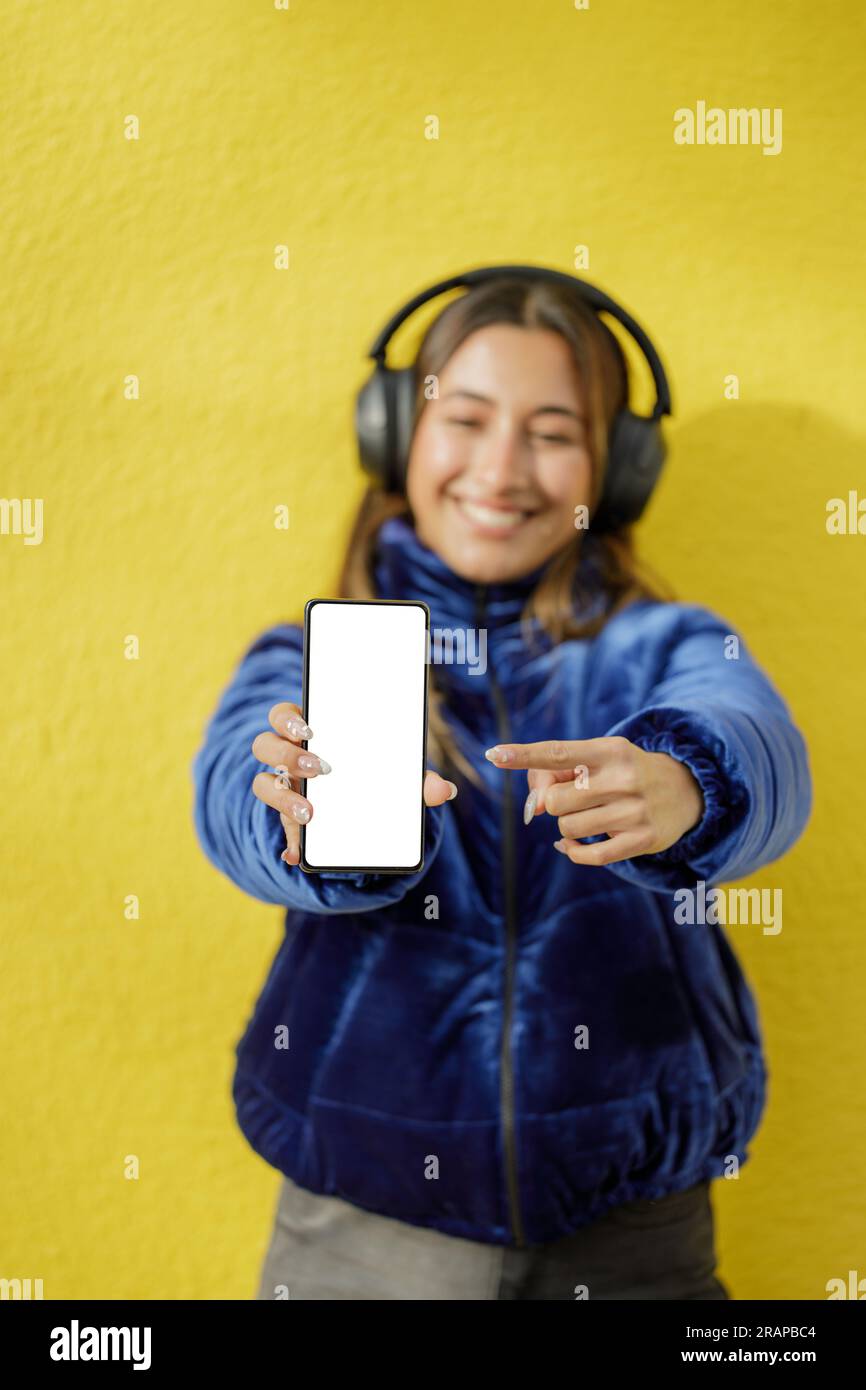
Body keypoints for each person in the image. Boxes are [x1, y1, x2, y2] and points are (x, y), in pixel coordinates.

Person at [191, 266, 812, 1300]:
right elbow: (227, 782)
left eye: (553, 431)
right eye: (465, 419)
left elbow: (756, 739)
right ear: (397, 437)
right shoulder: (305, 659)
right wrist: (280, 814)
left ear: (615, 471)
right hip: (361, 1228)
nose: (501, 466)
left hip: (636, 1238)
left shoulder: (666, 644)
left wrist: (688, 778)